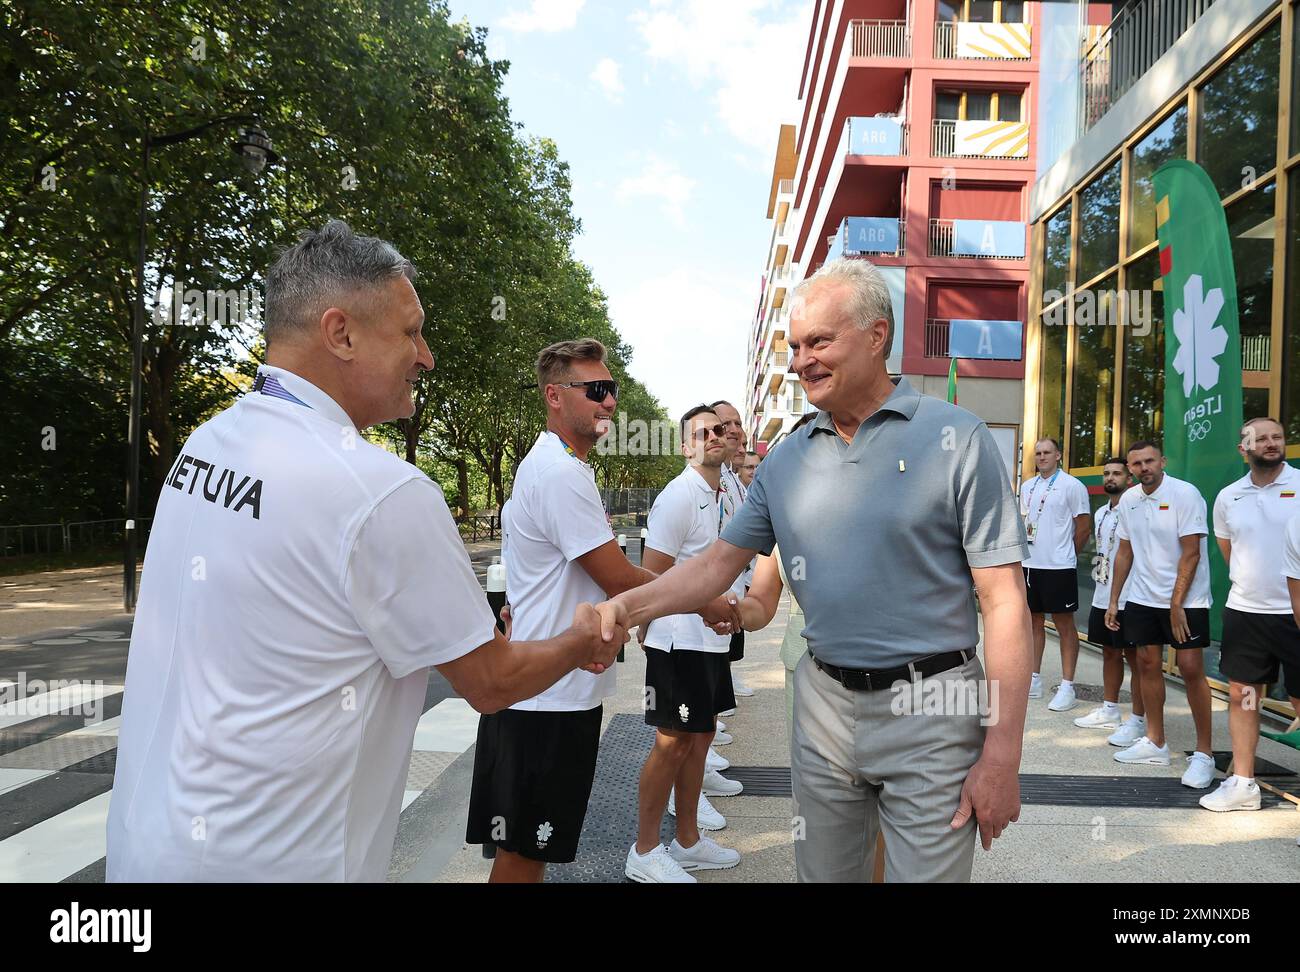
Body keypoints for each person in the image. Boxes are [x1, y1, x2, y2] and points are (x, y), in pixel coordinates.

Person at [106, 221, 624, 882]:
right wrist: (583, 641)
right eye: (411, 331)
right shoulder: (380, 490)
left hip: (145, 850)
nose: (427, 355)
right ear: (340, 332)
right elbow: (491, 683)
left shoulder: (207, 444)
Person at [600, 258, 1033, 883]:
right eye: (795, 346)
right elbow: (719, 564)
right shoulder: (786, 459)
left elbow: (1004, 604)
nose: (801, 360)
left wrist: (1002, 757)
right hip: (823, 706)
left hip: (935, 709)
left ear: (877, 336)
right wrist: (626, 609)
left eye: (819, 341)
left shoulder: (958, 439)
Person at [465, 339, 661, 881]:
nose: (610, 403)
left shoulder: (565, 467)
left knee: (532, 849)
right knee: (525, 852)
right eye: (596, 390)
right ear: (554, 395)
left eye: (612, 391)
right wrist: (705, 596)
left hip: (549, 688)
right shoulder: (560, 474)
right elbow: (619, 577)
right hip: (544, 696)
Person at [624, 405, 745, 883]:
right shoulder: (678, 496)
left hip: (710, 641)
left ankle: (688, 841)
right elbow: (653, 573)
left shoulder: (726, 490)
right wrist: (699, 606)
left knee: (700, 740)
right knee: (672, 744)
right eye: (703, 432)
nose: (715, 436)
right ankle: (645, 849)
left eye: (719, 429)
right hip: (678, 641)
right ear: (684, 445)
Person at [1200, 419, 1300, 811]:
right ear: (1243, 449)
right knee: (1243, 695)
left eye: (1277, 437)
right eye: (1261, 438)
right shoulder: (1228, 497)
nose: (1271, 443)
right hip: (1246, 612)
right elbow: (1229, 550)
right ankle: (1243, 784)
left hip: (1294, 614)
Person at [1105, 440, 1214, 788]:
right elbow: (1124, 552)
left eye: (1149, 461)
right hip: (1142, 598)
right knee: (1146, 665)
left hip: (1187, 601)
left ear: (1162, 461)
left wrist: (1177, 604)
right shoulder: (1130, 501)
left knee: (1191, 669)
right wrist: (1114, 600)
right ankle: (1155, 741)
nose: (1143, 468)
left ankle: (1205, 755)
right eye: (1136, 464)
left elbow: (1192, 553)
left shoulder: (1186, 494)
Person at [1074, 457, 1146, 742]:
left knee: (1136, 657)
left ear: (1129, 478)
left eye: (1117, 473)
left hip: (1131, 596)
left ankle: (1138, 720)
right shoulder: (1102, 512)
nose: (1110, 478)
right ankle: (1110, 708)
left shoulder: (1137, 509)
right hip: (1104, 593)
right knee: (1108, 652)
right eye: (1106, 473)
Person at [1020, 437, 1091, 711]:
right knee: (1034, 622)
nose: (1042, 457)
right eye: (1038, 453)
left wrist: (1066, 555)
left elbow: (1083, 528)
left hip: (1059, 567)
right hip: (1031, 565)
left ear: (1058, 455)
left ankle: (1067, 686)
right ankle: (1034, 679)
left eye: (1047, 452)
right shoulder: (1028, 486)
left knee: (1064, 625)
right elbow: (1026, 522)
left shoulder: (1072, 486)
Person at [711, 399, 754, 701]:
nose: (735, 430)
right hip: (714, 587)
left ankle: (711, 720)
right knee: (709, 656)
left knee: (721, 652)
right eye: (727, 424)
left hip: (734, 583)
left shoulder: (731, 478)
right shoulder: (711, 477)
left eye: (738, 423)